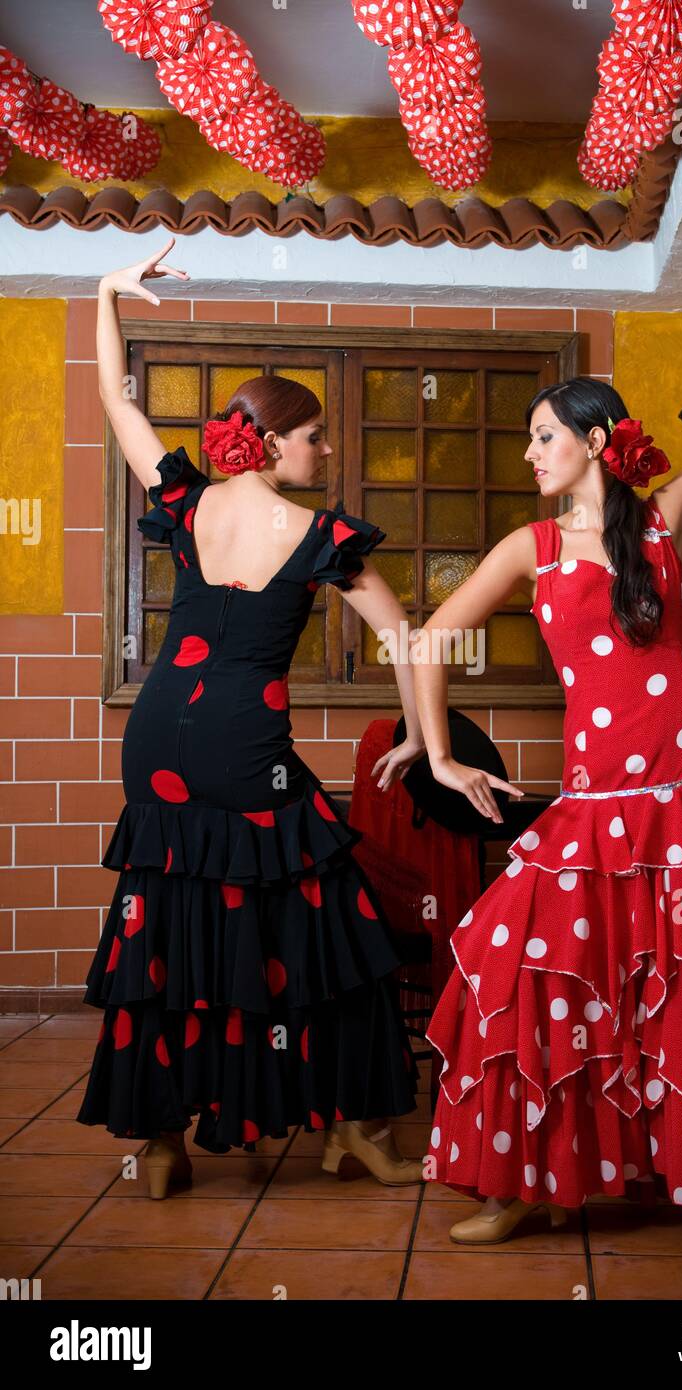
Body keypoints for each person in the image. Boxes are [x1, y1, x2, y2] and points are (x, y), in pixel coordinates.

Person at [413, 233, 682, 1243]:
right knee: (537, 969)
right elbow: (424, 637)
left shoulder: (665, 517)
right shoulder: (531, 549)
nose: (529, 452)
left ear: (597, 441)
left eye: (543, 435)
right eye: (527, 439)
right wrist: (436, 752)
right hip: (597, 797)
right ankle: (525, 1184)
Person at [76, 238, 427, 1198]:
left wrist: (106, 290)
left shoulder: (187, 501)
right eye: (315, 436)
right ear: (273, 442)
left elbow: (116, 399)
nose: (326, 451)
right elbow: (406, 638)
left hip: (154, 742)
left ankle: (160, 1142)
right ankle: (356, 1128)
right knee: (332, 925)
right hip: (244, 748)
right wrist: (420, 736)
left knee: (165, 927)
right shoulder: (317, 538)